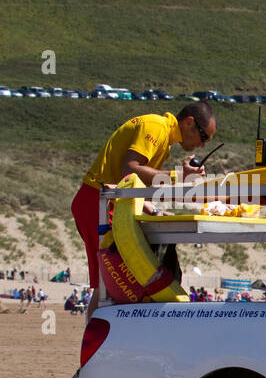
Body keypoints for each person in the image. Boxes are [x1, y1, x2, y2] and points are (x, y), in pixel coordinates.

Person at [72, 102, 216, 318]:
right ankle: (96, 336)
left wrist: (154, 210)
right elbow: (129, 170)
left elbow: (132, 185)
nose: (202, 145)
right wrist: (179, 176)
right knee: (109, 283)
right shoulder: (156, 127)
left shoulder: (164, 140)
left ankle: (100, 334)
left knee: (110, 283)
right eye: (204, 137)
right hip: (98, 201)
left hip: (105, 201)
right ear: (188, 123)